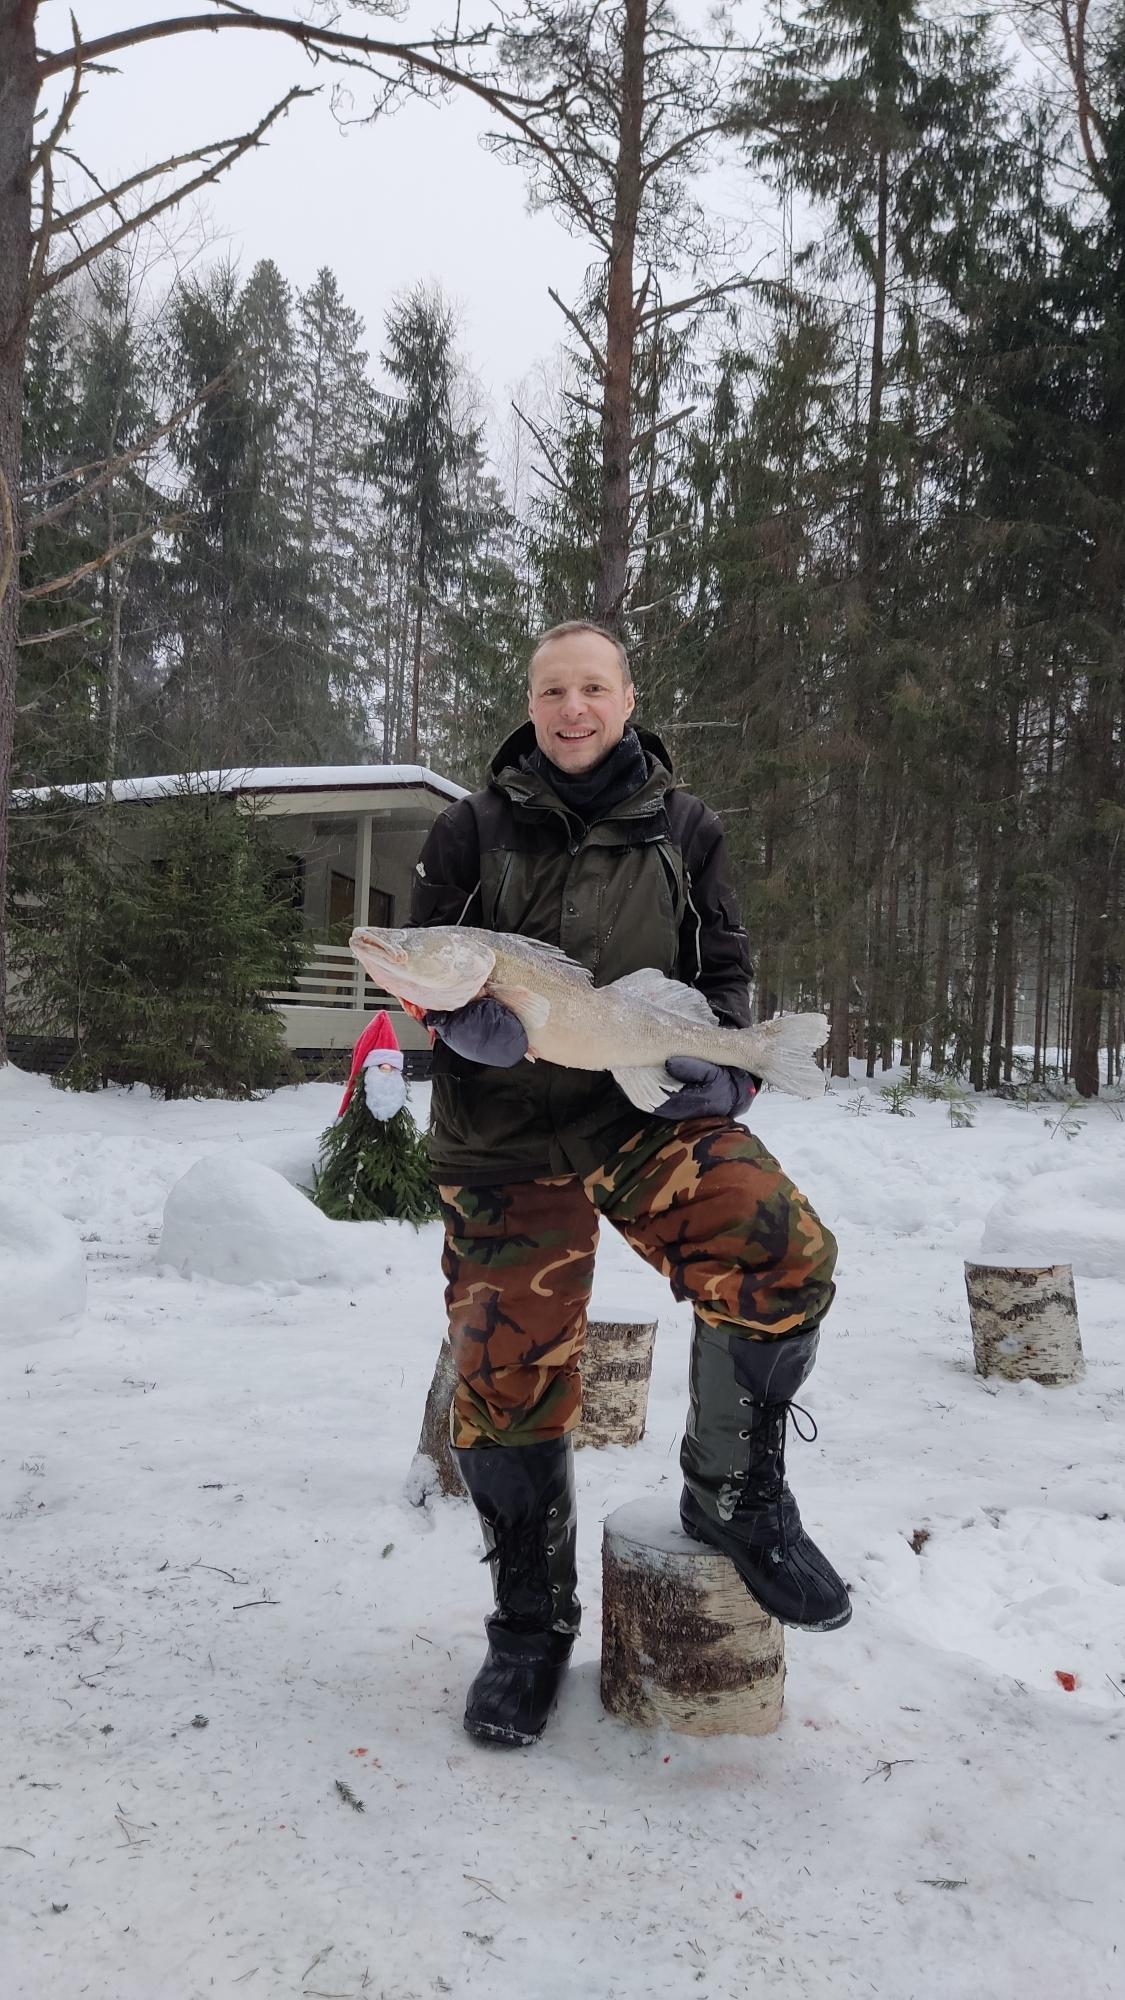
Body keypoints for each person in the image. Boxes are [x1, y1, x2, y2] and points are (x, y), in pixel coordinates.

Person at [410, 620, 849, 1747]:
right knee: (504, 1372)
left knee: (778, 1247)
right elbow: (426, 962)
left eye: (591, 687)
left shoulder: (684, 829)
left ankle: (735, 1491)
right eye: (552, 688)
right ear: (530, 700)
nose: (572, 707)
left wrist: (729, 1064)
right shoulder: (467, 829)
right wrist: (462, 1036)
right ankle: (529, 1622)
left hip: (634, 1109)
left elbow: (724, 967)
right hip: (501, 1135)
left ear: (625, 697)